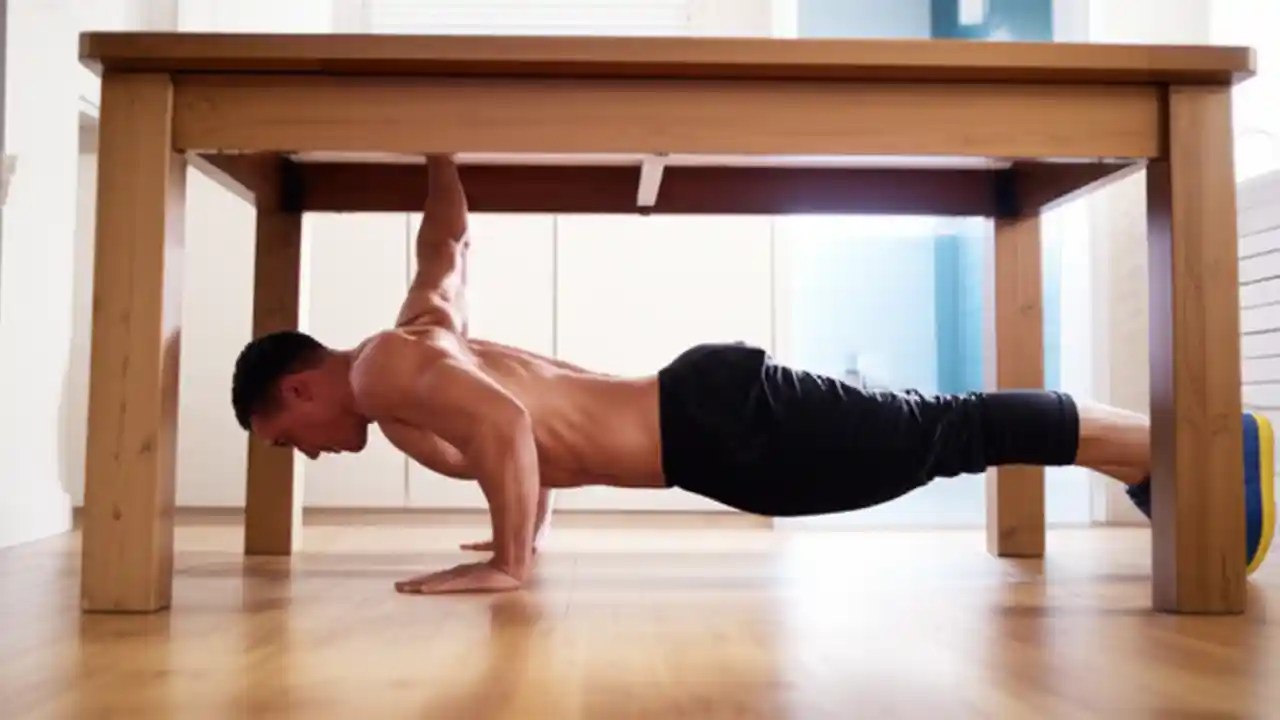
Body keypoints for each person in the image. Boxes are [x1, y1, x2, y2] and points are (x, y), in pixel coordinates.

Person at [231, 155, 1275, 595]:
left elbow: (505, 427)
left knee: (940, 432)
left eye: (288, 441)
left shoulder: (383, 370)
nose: (306, 456)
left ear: (299, 388)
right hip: (708, 426)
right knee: (934, 437)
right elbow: (446, 247)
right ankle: (1151, 461)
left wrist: (509, 564)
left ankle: (1191, 449)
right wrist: (438, 156)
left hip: (712, 428)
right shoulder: (414, 338)